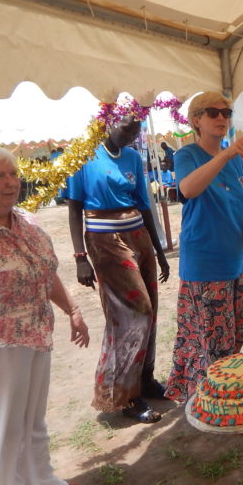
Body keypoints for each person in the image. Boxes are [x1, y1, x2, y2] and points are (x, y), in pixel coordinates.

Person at [0, 145, 90, 485]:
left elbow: (44, 271)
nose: (11, 182)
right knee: (3, 432)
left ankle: (43, 483)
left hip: (35, 335)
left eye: (13, 174)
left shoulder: (25, 222)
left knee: (31, 420)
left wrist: (72, 309)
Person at [65, 115, 170, 424]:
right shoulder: (83, 154)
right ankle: (125, 395)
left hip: (138, 235)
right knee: (134, 312)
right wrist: (80, 257)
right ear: (108, 121)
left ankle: (145, 379)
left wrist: (159, 251)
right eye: (127, 126)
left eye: (137, 128)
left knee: (151, 310)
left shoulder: (133, 157)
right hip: (105, 240)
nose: (133, 133)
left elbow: (144, 204)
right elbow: (74, 207)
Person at [164, 91, 243, 403]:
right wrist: (227, 152)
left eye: (227, 112)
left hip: (237, 260)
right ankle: (210, 399)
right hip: (206, 263)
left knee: (238, 331)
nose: (222, 117)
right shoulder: (187, 155)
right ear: (196, 120)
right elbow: (188, 188)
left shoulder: (234, 160)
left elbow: (242, 201)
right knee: (211, 340)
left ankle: (225, 394)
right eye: (213, 112)